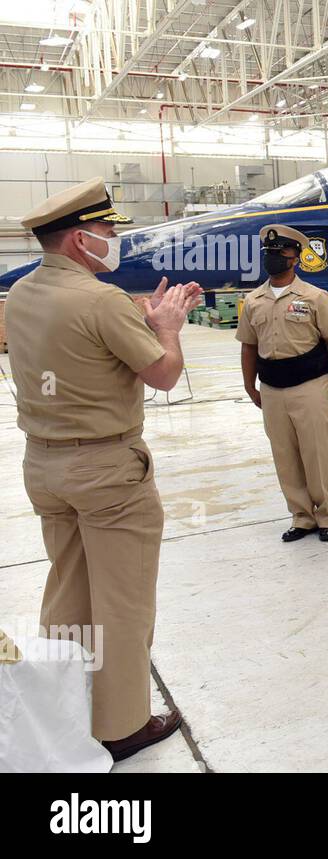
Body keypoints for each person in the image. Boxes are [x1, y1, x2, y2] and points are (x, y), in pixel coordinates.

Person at [8, 177, 202, 760]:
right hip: (107, 472)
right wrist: (166, 325)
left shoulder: (22, 293)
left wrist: (135, 323)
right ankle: (122, 726)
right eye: (106, 230)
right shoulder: (100, 299)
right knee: (123, 602)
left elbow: (79, 350)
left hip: (44, 465)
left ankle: (62, 706)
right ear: (78, 239)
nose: (113, 238)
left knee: (69, 592)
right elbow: (163, 373)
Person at [237, 224, 328, 542]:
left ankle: (327, 514)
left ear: (295, 258)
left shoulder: (315, 297)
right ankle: (302, 516)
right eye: (268, 253)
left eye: (279, 253)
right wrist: (249, 386)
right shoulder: (254, 300)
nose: (272, 258)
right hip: (272, 390)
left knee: (318, 454)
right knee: (285, 456)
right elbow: (248, 347)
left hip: (311, 387)